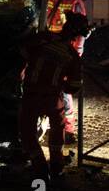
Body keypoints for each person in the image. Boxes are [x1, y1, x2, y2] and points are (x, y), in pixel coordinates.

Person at [17, 12, 88, 181]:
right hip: (52, 98)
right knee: (57, 130)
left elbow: (22, 53)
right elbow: (74, 87)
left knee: (27, 132)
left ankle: (40, 168)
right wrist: (60, 83)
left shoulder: (42, 38)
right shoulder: (72, 56)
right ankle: (56, 168)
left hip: (31, 95)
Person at [45, 0, 88, 144]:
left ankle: (68, 129)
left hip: (65, 52)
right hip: (47, 49)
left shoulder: (74, 1)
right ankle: (49, 125)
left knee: (63, 89)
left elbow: (80, 31)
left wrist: (76, 53)